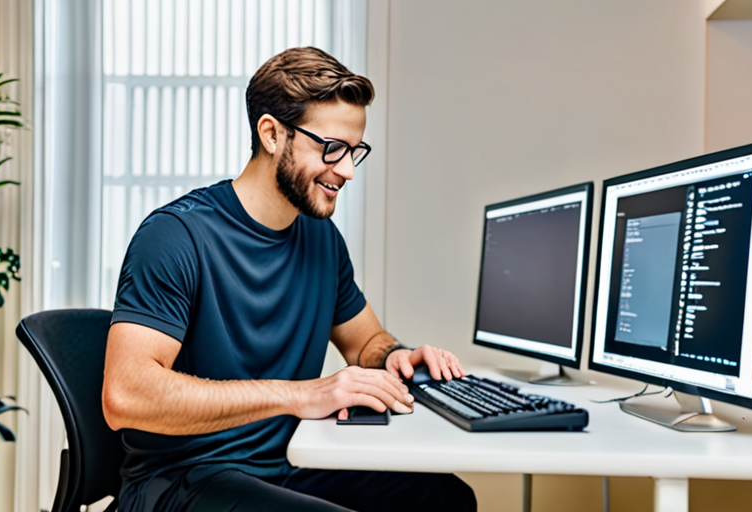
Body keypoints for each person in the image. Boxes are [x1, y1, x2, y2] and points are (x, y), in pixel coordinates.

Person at [102, 46, 477, 512]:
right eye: (331, 148)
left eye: (354, 151)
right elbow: (125, 395)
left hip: (287, 463)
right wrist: (302, 394)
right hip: (183, 479)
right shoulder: (176, 236)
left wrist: (397, 356)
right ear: (272, 134)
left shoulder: (322, 239)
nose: (345, 171)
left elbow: (365, 343)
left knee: (447, 499)